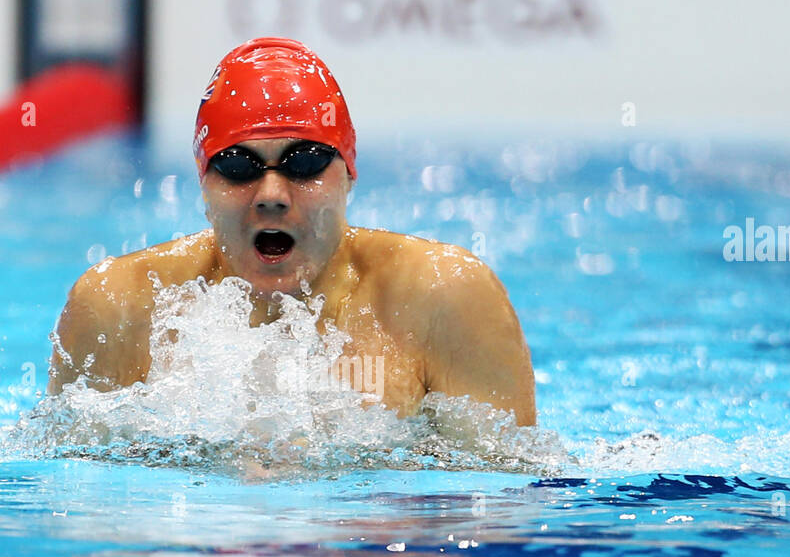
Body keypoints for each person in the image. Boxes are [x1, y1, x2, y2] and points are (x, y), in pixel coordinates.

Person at [48, 37, 536, 427]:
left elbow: (501, 508)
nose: (272, 193)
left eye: (304, 163)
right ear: (203, 185)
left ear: (348, 175)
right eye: (239, 165)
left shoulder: (443, 298)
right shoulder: (120, 306)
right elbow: (81, 502)